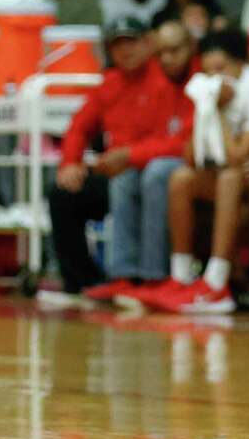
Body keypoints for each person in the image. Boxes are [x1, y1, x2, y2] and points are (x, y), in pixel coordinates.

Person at [145, 30, 249, 314]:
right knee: (181, 178)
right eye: (209, 71)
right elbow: (191, 158)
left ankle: (216, 282)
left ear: (242, 65)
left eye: (221, 69)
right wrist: (206, 107)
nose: (214, 78)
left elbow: (238, 158)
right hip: (239, 175)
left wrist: (216, 110)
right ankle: (181, 276)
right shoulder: (207, 92)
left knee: (229, 178)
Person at [47, 18, 192, 300]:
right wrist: (70, 162)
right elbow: (79, 126)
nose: (125, 51)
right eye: (118, 45)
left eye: (132, 42)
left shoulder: (167, 78)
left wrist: (131, 155)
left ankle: (144, 276)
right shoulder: (109, 84)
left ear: (148, 43)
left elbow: (177, 141)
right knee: (64, 192)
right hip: (116, 169)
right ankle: (83, 281)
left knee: (137, 177)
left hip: (148, 167)